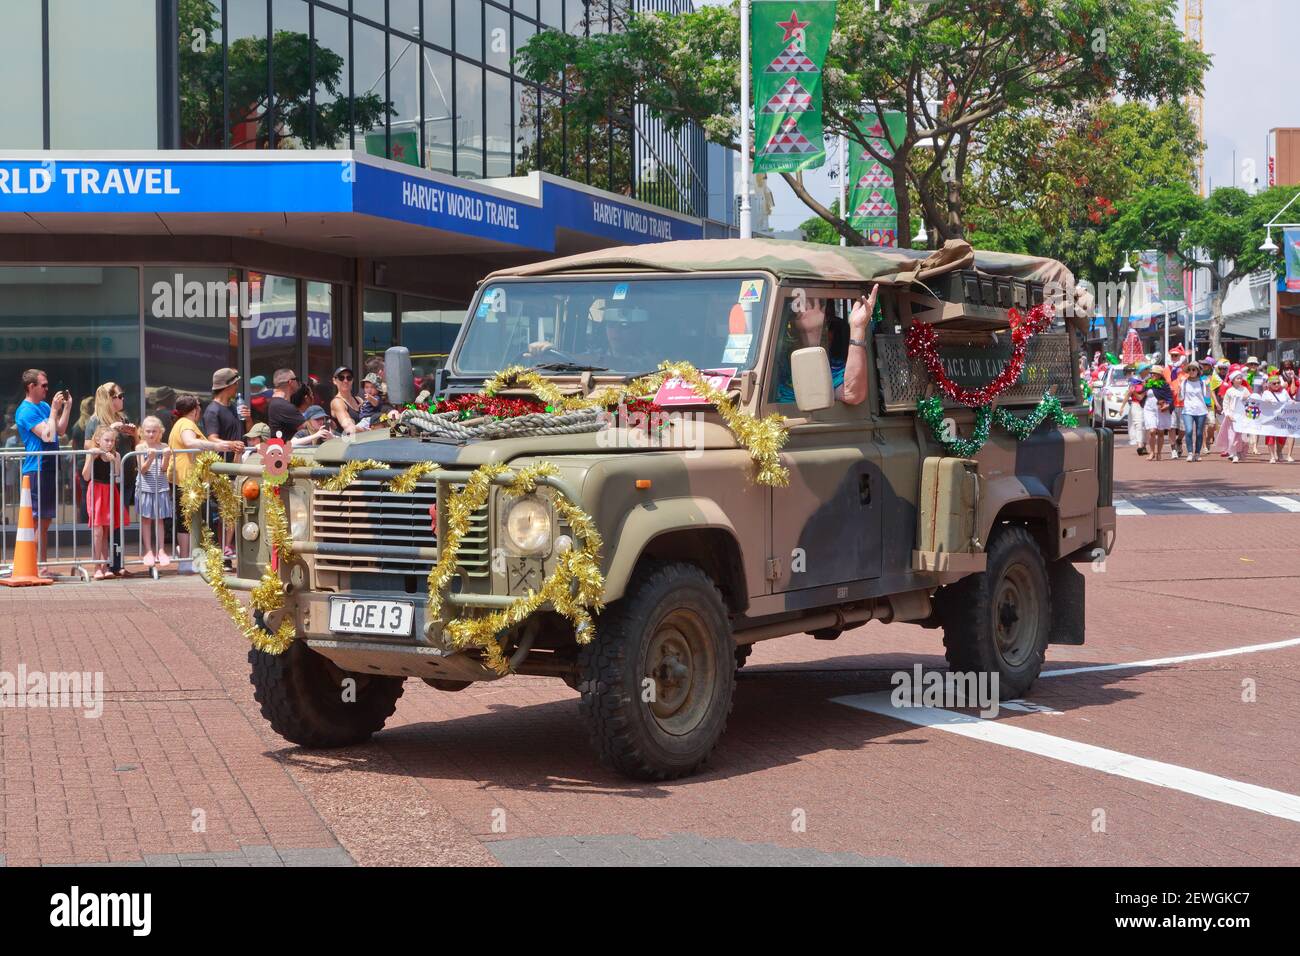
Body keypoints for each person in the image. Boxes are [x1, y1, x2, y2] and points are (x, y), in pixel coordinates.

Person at [168, 395, 243, 570]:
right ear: (195, 409)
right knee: (189, 519)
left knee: (190, 519)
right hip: (188, 478)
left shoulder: (181, 423)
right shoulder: (186, 424)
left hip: (188, 478)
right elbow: (189, 442)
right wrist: (217, 446)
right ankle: (187, 561)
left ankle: (189, 559)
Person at [774, 288, 878, 406]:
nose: (802, 307)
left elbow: (852, 395)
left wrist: (857, 328)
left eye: (812, 303)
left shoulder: (834, 368)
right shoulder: (779, 360)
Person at [16, 369, 71, 573]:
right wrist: (54, 410)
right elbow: (47, 435)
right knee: (39, 519)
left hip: (48, 466)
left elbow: (61, 431)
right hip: (37, 467)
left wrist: (66, 407)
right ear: (31, 387)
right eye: (44, 385)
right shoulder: (25, 410)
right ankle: (39, 565)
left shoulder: (45, 406)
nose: (48, 389)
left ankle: (43, 564)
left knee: (45, 519)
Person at [82, 426, 127, 580]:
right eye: (106, 440)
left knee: (106, 531)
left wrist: (113, 461)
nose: (109, 444)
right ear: (98, 440)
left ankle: (106, 565)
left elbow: (117, 476)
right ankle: (96, 566)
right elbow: (86, 476)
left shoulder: (116, 454)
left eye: (112, 441)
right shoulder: (92, 453)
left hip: (109, 491)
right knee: (97, 531)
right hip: (96, 491)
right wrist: (92, 458)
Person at [134, 416, 173, 568]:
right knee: (146, 519)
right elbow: (142, 470)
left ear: (160, 432)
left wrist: (167, 457)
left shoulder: (164, 446)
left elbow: (164, 469)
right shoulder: (140, 447)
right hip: (145, 487)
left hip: (161, 486)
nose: (151, 434)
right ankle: (148, 550)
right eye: (148, 431)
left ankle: (161, 550)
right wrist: (149, 458)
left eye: (154, 431)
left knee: (160, 519)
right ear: (143, 432)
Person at [1215, 370, 1250, 463]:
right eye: (1237, 378)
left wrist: (1248, 398)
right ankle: (1233, 454)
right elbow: (1225, 404)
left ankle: (1239, 452)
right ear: (1233, 380)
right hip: (1232, 417)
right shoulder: (1229, 391)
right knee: (1232, 436)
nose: (1240, 380)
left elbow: (1250, 402)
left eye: (1240, 378)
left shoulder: (1245, 389)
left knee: (1242, 437)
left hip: (1243, 416)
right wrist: (1228, 414)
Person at [1179, 361, 1210, 462]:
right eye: (1190, 369)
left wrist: (1209, 386)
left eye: (1194, 369)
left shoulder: (1202, 383)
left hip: (1201, 410)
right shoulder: (1184, 382)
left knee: (1199, 433)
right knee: (1188, 431)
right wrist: (1179, 388)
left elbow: (1207, 396)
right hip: (1188, 410)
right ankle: (1190, 453)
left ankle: (1197, 453)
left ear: (1198, 371)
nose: (1192, 371)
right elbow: (1180, 398)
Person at [1142, 366, 1173, 461]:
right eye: (1152, 373)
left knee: (1160, 432)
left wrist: (1166, 405)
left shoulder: (1164, 385)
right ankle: (1152, 452)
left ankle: (1159, 453)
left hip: (1160, 410)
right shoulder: (1148, 384)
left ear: (1160, 375)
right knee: (1152, 431)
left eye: (1155, 373)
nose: (1153, 375)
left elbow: (1170, 398)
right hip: (1149, 409)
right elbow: (1142, 394)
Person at [266, 368, 306, 440]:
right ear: (290, 382)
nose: (298, 382)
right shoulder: (282, 406)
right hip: (287, 449)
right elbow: (308, 428)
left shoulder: (272, 402)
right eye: (296, 379)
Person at [1260, 374, 1292, 464]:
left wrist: (1292, 402)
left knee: (1282, 437)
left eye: (1278, 383)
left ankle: (1279, 451)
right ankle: (1272, 456)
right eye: (1274, 383)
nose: (1277, 385)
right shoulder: (1266, 393)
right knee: (1270, 437)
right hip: (1270, 419)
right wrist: (1266, 402)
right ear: (1269, 384)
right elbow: (1262, 405)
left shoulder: (1284, 392)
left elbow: (1289, 401)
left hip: (1282, 418)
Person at [329, 366, 363, 434]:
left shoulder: (359, 400)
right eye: (341, 378)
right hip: (347, 443)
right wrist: (370, 430)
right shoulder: (337, 402)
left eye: (349, 378)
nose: (345, 381)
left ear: (352, 380)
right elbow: (349, 428)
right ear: (334, 381)